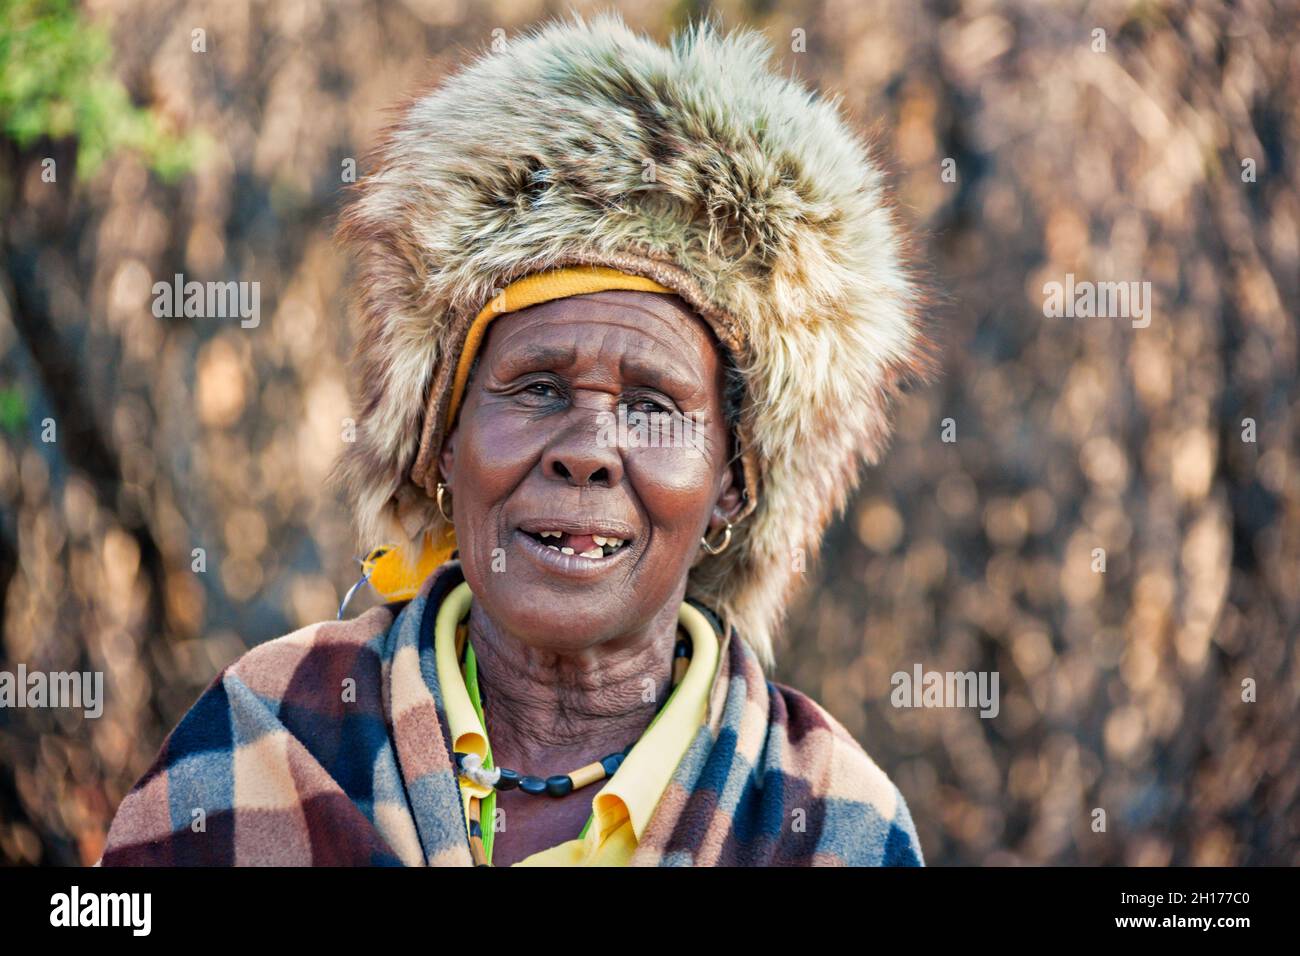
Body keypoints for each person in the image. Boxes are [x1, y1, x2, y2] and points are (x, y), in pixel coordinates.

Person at [99, 13, 931, 866]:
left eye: (652, 405)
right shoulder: (270, 736)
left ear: (730, 484)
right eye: (537, 388)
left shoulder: (829, 817)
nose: (589, 450)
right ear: (444, 446)